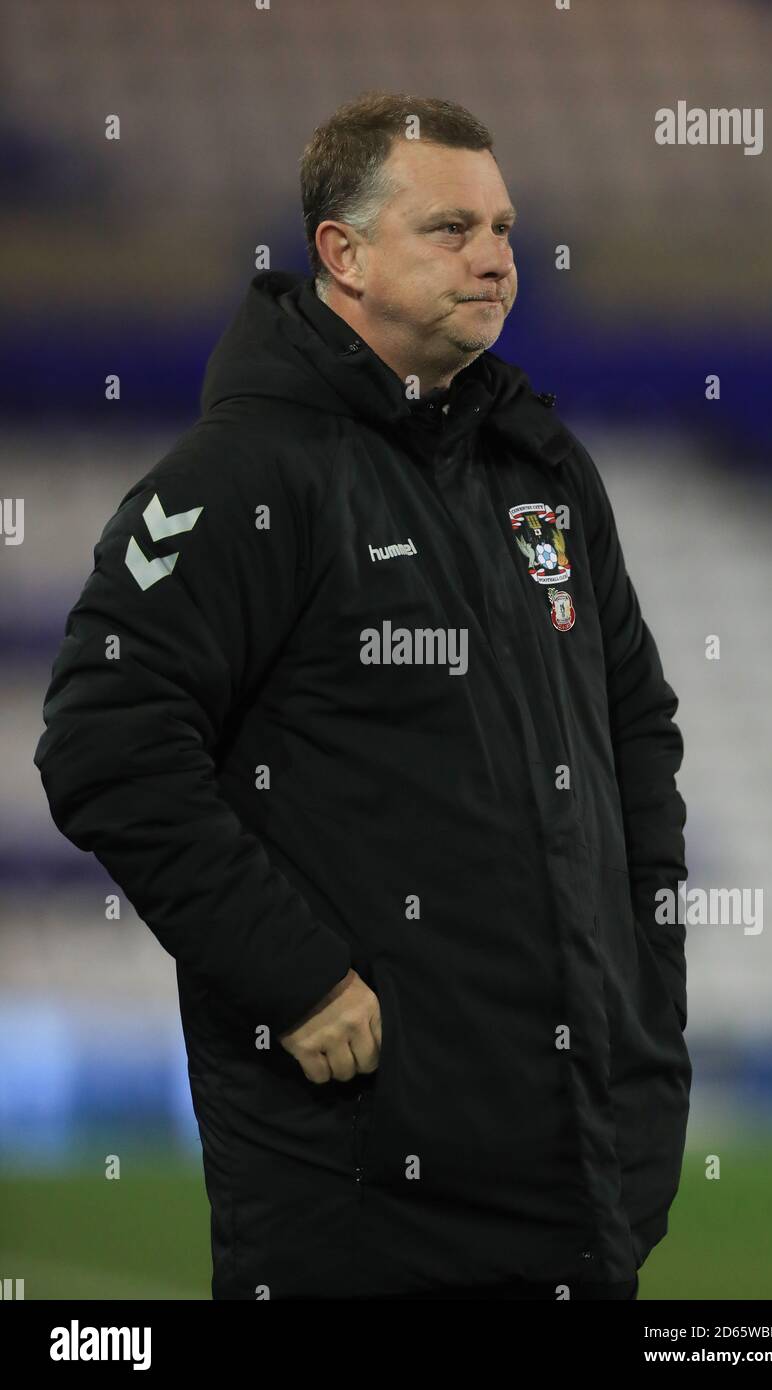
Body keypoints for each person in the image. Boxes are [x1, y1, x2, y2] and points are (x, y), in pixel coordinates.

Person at [33, 91, 691, 1301]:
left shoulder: (539, 469)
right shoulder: (242, 476)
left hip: (578, 1173)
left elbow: (636, 735)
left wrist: (647, 1006)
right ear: (341, 252)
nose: (496, 257)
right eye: (450, 228)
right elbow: (103, 746)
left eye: (502, 227)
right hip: (356, 1188)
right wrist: (296, 976)